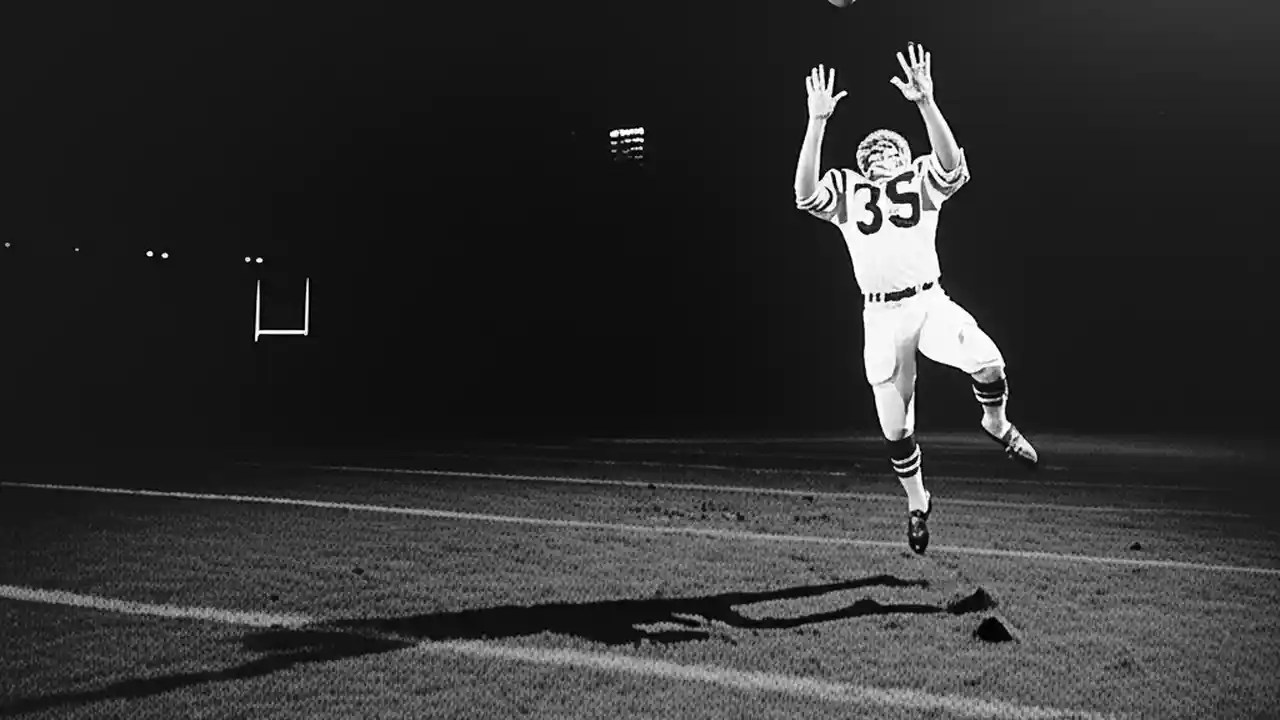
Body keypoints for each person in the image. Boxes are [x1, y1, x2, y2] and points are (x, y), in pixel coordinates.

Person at [792, 42, 1038, 555]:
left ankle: (995, 422)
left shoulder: (921, 179)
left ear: (904, 158)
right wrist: (816, 122)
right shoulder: (847, 188)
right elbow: (804, 193)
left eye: (890, 150)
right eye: (872, 152)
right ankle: (917, 503)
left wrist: (926, 102)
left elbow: (951, 166)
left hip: (929, 303)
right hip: (880, 317)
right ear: (862, 164)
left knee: (989, 361)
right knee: (896, 428)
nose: (881, 156)